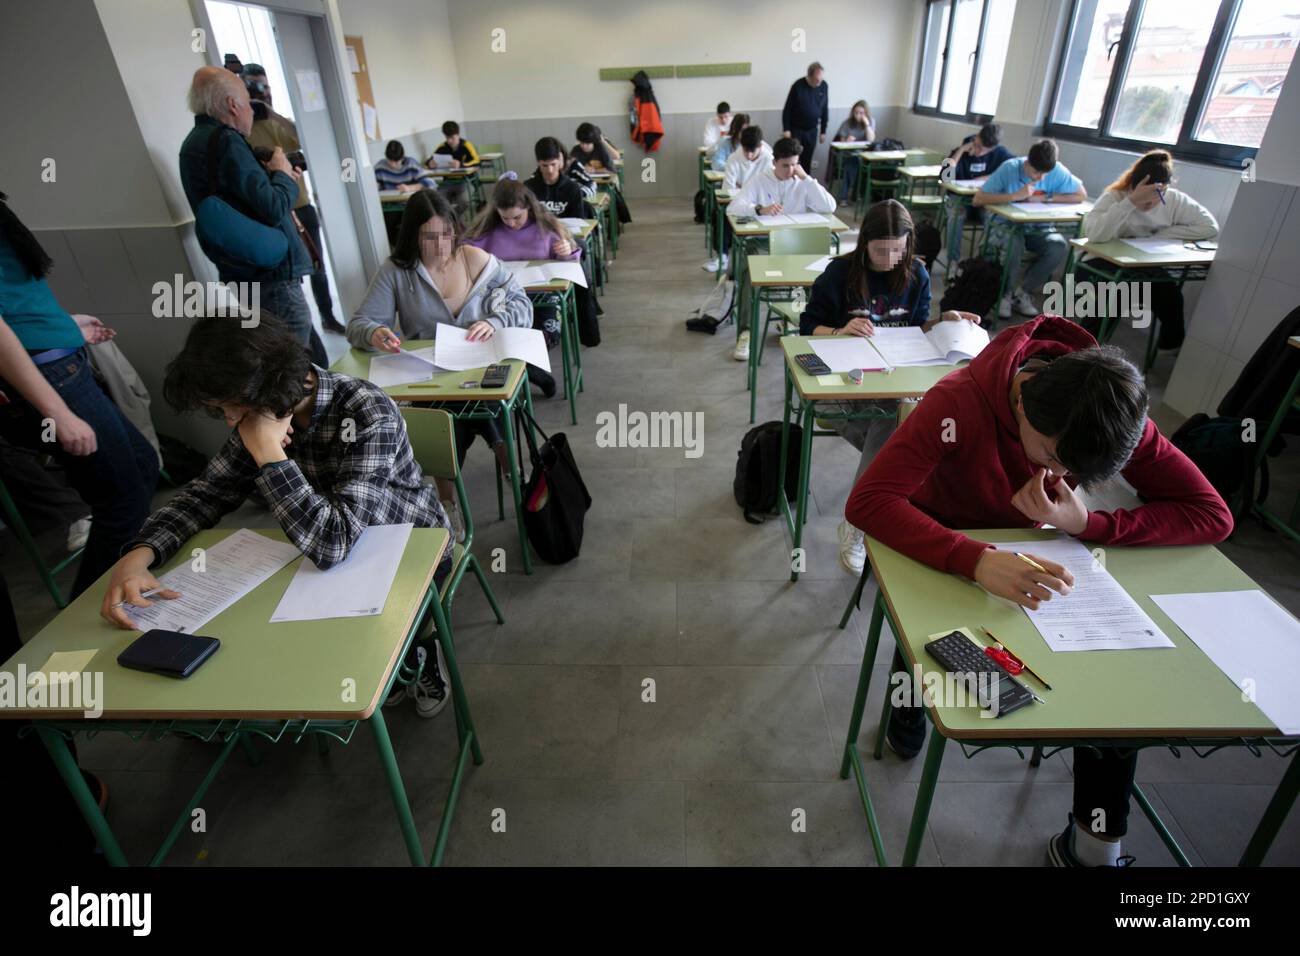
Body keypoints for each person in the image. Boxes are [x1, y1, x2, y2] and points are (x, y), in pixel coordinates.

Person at [845, 315, 1233, 866]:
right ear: (1024, 403)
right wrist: (973, 559)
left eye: (1074, 471)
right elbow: (868, 503)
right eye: (1051, 458)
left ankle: (1093, 846)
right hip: (942, 546)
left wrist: (1088, 526)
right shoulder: (957, 401)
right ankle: (908, 707)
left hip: (1039, 554)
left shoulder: (1109, 412)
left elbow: (1211, 515)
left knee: (1115, 672)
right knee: (941, 655)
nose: (1058, 473)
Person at [98, 315, 455, 716]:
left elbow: (333, 542)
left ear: (269, 385)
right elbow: (207, 493)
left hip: (410, 545)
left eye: (232, 407)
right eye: (222, 410)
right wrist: (140, 553)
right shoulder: (260, 412)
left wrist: (269, 454)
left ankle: (421, 653)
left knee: (395, 635)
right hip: (328, 552)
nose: (232, 421)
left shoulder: (366, 411)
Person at [799, 200, 980, 574]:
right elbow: (806, 328)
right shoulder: (839, 273)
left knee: (895, 415)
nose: (890, 258)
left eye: (898, 249)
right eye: (881, 250)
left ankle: (858, 518)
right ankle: (864, 517)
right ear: (864, 242)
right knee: (899, 428)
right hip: (839, 387)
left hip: (890, 377)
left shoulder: (915, 273)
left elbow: (915, 328)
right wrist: (838, 330)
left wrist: (943, 321)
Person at [347, 189, 541, 535]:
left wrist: (494, 322)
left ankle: (515, 476)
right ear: (412, 236)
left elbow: (523, 305)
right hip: (431, 377)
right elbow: (358, 325)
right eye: (429, 237)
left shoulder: (473, 258)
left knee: (490, 409)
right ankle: (448, 503)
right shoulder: (396, 271)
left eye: (447, 234)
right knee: (443, 423)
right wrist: (376, 332)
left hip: (482, 370)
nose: (441, 246)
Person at [0, 192, 157, 598]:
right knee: (121, 501)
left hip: (55, 361)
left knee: (140, 468)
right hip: (48, 380)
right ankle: (89, 613)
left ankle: (128, 586)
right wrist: (58, 413)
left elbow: (12, 298)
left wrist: (65, 327)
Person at [179, 66, 325, 364]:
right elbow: (272, 207)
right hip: (271, 276)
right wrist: (284, 175)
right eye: (246, 101)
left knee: (286, 353)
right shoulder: (226, 142)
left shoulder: (193, 144)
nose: (250, 110)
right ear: (233, 105)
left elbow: (241, 200)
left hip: (242, 272)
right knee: (293, 363)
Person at [1079, 149, 1218, 350]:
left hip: (1141, 264)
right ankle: (1085, 349)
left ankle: (1169, 348)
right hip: (1099, 260)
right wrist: (1129, 203)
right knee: (1116, 295)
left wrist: (1160, 236)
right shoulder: (1116, 196)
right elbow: (1094, 234)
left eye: (1154, 199)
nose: (1147, 204)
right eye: (1142, 197)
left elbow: (1209, 226)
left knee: (1171, 296)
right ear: (1133, 187)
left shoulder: (1175, 200)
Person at [241, 69, 344, 336]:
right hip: (273, 211)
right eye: (253, 87)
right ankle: (302, 327)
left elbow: (305, 140)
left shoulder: (276, 123)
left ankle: (327, 316)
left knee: (317, 264)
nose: (260, 93)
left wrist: (273, 113)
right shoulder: (241, 131)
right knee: (290, 277)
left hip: (300, 204)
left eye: (264, 87)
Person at [728, 136, 837, 361]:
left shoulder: (803, 182)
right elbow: (734, 207)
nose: (790, 170)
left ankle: (794, 320)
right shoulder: (759, 180)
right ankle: (745, 333)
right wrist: (759, 209)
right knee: (750, 273)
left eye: (794, 164)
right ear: (774, 162)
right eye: (785, 165)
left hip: (797, 248)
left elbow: (829, 206)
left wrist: (806, 178)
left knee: (820, 275)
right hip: (765, 245)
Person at [463, 177, 584, 377]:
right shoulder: (486, 232)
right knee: (501, 339)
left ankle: (529, 374)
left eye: (517, 217)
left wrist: (566, 251)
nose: (511, 223)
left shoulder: (546, 228)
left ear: (528, 207)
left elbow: (570, 259)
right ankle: (529, 376)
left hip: (543, 294)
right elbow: (463, 253)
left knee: (546, 334)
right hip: (501, 297)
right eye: (505, 218)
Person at [973, 139, 1087, 321]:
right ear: (1026, 163)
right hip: (1004, 224)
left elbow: (1081, 194)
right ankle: (1005, 295)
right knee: (1014, 244)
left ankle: (1022, 293)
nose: (1039, 178)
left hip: (1036, 226)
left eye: (1045, 174)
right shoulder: (1009, 168)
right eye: (1035, 172)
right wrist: (1015, 196)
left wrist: (1048, 197)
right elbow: (978, 199)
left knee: (1057, 246)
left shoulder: (1057, 170)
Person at [702, 126, 773, 275]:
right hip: (741, 202)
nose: (748, 154)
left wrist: (744, 188)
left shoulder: (769, 159)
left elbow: (769, 189)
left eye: (752, 151)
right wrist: (746, 193)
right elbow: (728, 189)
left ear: (760, 146)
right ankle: (722, 256)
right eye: (746, 149)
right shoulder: (734, 158)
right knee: (721, 213)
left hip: (763, 204)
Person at [940, 122, 1013, 267]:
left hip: (982, 201)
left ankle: (983, 262)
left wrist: (988, 178)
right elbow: (944, 177)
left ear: (993, 148)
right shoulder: (962, 149)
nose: (979, 152)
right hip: (958, 199)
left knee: (993, 218)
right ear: (976, 137)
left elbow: (1013, 170)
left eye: (984, 150)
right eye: (978, 146)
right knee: (956, 216)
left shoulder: (1001, 154)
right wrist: (961, 151)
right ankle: (953, 262)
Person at [782, 62, 829, 182]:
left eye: (821, 79)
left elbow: (824, 109)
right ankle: (792, 183)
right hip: (796, 129)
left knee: (808, 159)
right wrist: (786, 129)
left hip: (812, 130)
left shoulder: (824, 86)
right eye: (816, 80)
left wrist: (823, 131)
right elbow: (787, 109)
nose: (819, 82)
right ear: (809, 76)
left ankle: (805, 184)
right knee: (794, 159)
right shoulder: (798, 86)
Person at [525, 137, 591, 219]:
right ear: (538, 163)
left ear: (559, 161)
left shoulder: (572, 188)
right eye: (544, 165)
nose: (550, 170)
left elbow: (578, 221)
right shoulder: (528, 188)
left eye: (553, 164)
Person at [428, 120, 480, 215]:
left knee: (463, 201)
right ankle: (452, 222)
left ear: (458, 135)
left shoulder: (466, 145)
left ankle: (453, 220)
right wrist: (430, 164)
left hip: (465, 182)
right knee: (435, 202)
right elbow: (428, 162)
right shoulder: (442, 147)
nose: (449, 141)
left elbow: (477, 162)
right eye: (447, 138)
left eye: (452, 137)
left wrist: (460, 165)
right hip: (447, 183)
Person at [832, 100, 875, 200]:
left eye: (861, 113)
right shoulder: (847, 123)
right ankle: (844, 197)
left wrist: (867, 125)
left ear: (866, 113)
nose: (858, 115)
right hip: (847, 154)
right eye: (856, 113)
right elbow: (841, 143)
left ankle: (858, 194)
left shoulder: (870, 121)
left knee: (861, 163)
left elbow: (871, 139)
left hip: (863, 154)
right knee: (851, 163)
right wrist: (847, 141)